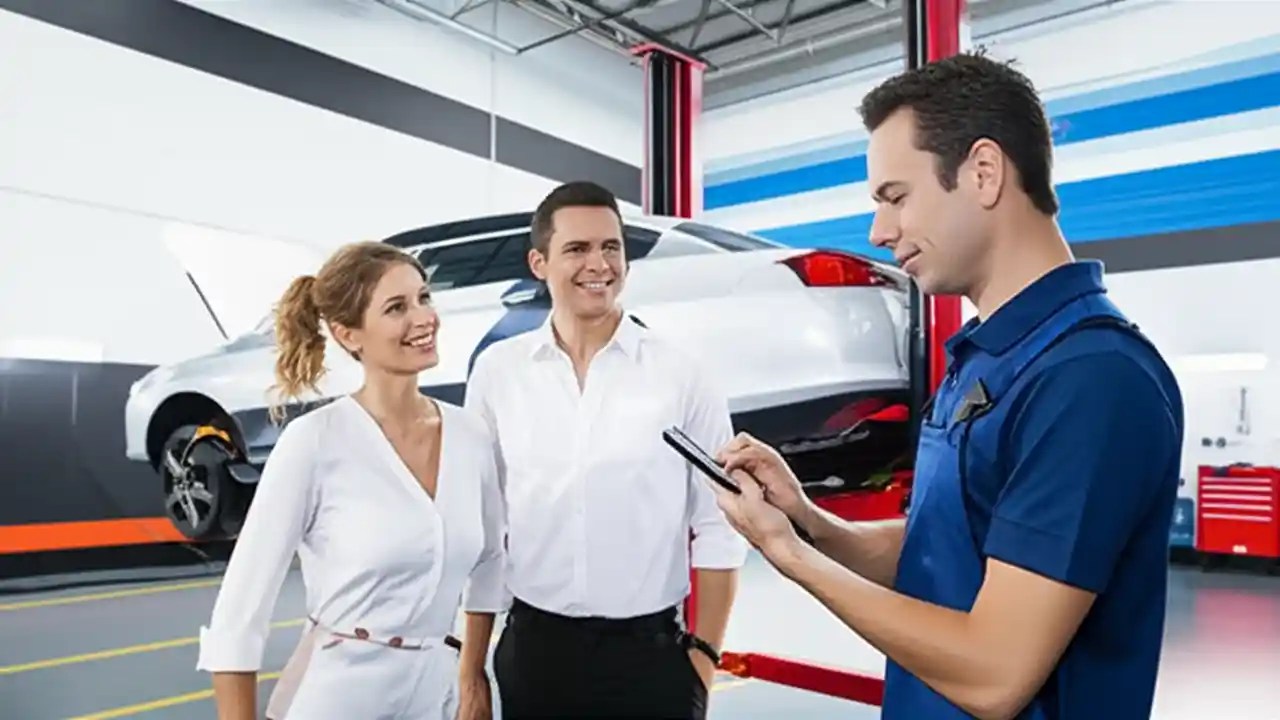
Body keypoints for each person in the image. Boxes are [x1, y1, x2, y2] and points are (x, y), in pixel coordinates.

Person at [706, 52, 1184, 720]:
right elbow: (941, 547)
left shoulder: (1091, 379)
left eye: (895, 197)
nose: (879, 231)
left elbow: (995, 674)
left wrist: (789, 557)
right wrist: (809, 522)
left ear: (983, 173)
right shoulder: (984, 359)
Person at [463, 181, 750, 719]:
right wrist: (471, 668)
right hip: (534, 653)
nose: (598, 264)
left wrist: (704, 661)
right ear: (538, 262)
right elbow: (485, 529)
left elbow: (719, 524)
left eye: (610, 247)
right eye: (576, 249)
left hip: (651, 660)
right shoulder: (498, 373)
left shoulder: (682, 372)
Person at [195, 241, 508, 720]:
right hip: (336, 699)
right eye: (397, 307)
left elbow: (490, 560)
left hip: (435, 699)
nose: (423, 318)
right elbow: (239, 614)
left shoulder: (471, 435)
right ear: (348, 335)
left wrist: (472, 673)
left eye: (424, 298)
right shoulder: (314, 442)